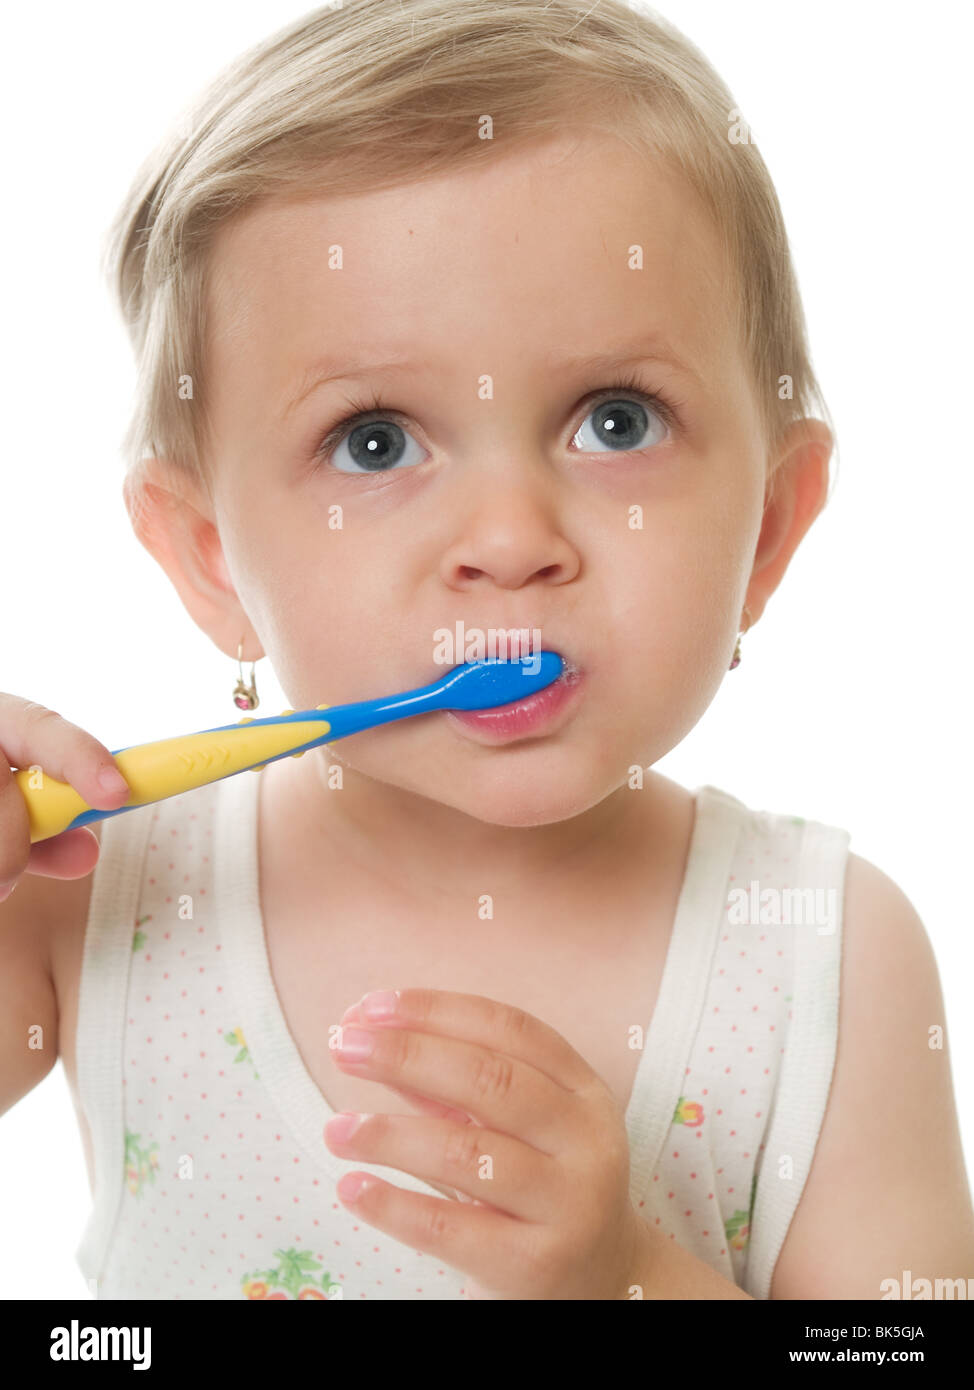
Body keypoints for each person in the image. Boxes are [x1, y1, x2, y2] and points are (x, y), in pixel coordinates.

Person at [2, 0, 972, 1301]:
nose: (510, 540)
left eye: (613, 420)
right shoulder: (95, 896)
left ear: (766, 533)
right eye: (375, 441)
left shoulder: (823, 949)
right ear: (208, 558)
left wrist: (630, 1275)